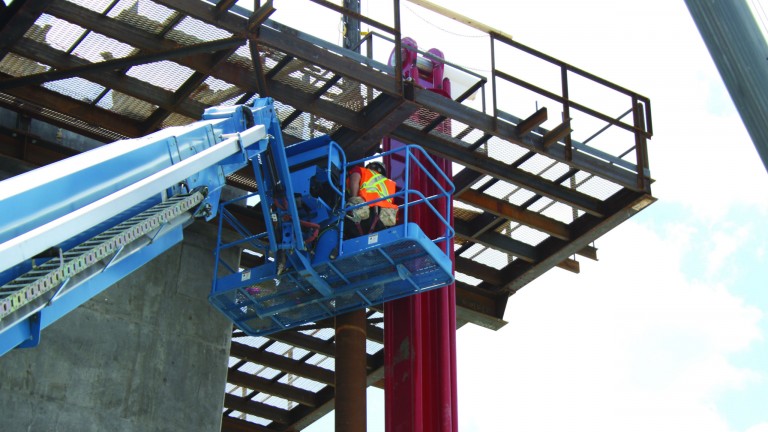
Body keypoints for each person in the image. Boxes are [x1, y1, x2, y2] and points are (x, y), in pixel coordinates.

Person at [345, 161, 398, 236]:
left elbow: (354, 181)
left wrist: (354, 199)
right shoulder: (390, 183)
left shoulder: (361, 170)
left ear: (369, 166)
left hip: (365, 208)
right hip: (383, 216)